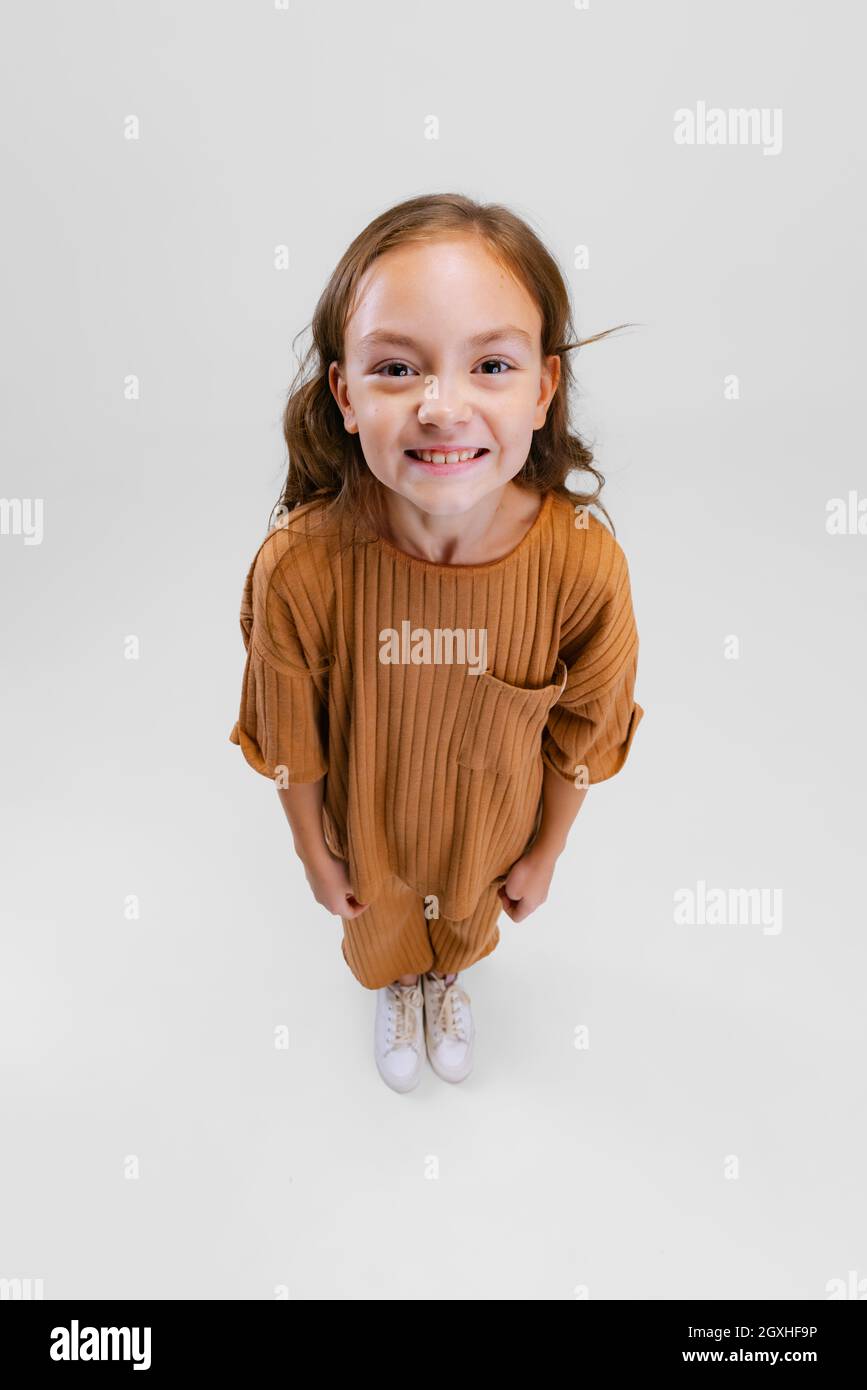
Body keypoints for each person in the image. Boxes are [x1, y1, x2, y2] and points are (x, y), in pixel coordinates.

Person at [228, 192, 645, 1093]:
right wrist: (313, 849)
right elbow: (289, 736)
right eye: (396, 370)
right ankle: (395, 986)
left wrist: (545, 852)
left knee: (459, 922)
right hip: (368, 833)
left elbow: (583, 732)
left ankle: (445, 979)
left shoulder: (580, 568)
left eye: (490, 364)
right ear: (345, 394)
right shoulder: (300, 570)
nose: (441, 407)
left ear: (542, 388)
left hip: (484, 833)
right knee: (379, 928)